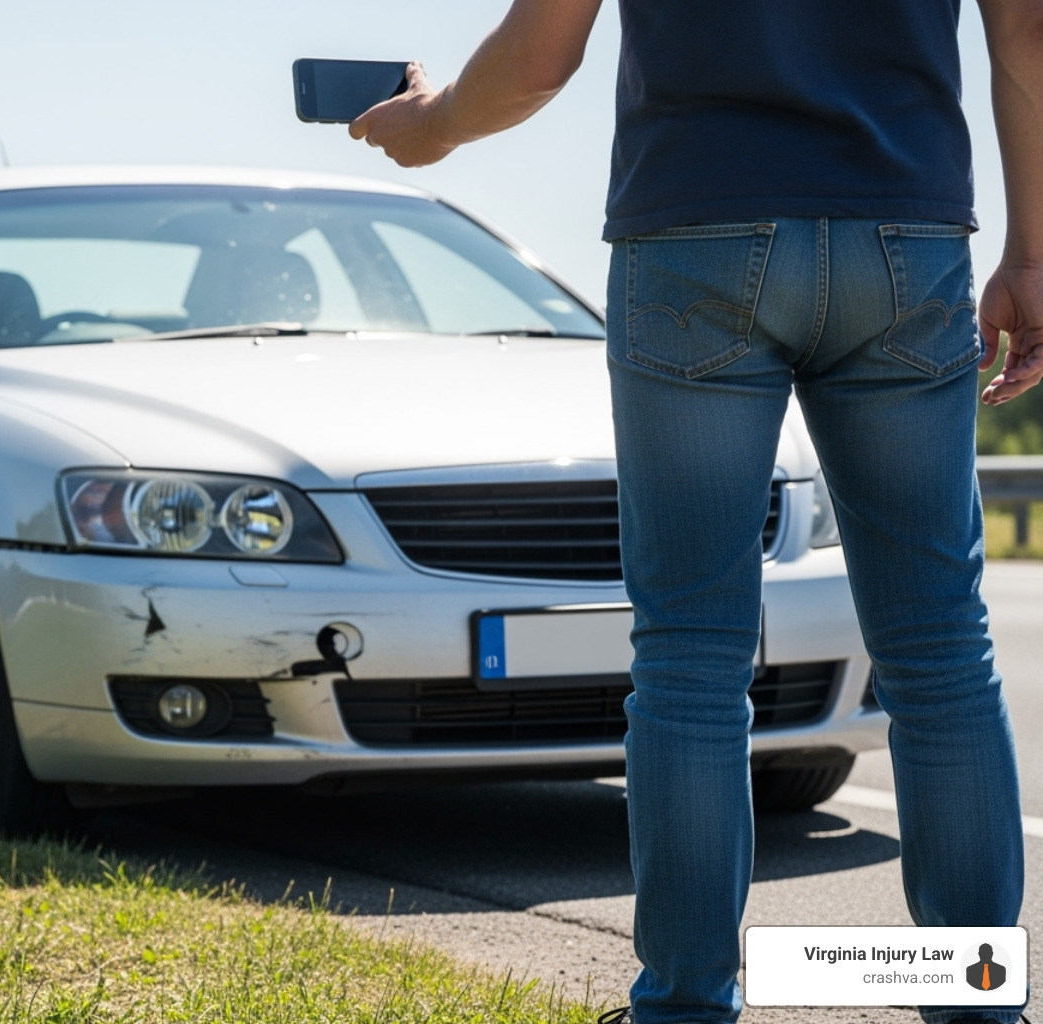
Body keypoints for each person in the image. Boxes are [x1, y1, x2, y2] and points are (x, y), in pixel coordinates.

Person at [349, 0, 1040, 1021]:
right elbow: (1025, 29)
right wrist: (1031, 253)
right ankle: (976, 1002)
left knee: (689, 656)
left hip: (696, 234)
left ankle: (683, 1005)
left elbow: (541, 56)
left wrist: (432, 123)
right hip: (904, 231)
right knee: (939, 645)